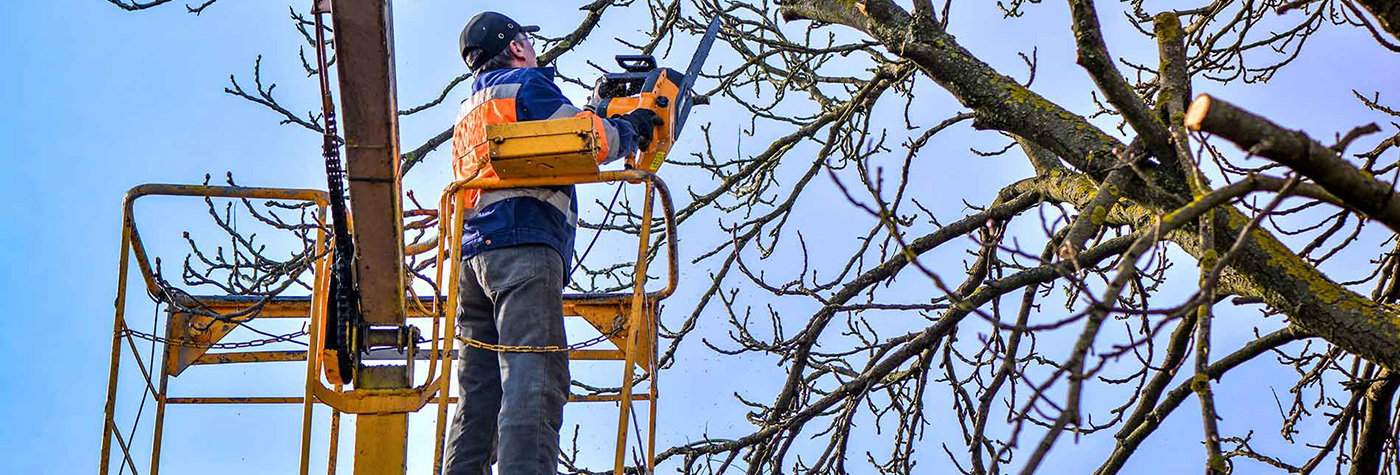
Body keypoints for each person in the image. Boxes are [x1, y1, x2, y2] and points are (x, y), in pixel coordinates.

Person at [443, 11, 658, 475]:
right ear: (518, 46)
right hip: (523, 246)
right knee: (533, 374)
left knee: (479, 389)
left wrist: (596, 110)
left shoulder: (472, 107)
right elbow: (588, 143)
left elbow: (551, 142)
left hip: (474, 258)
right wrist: (633, 127)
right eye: (528, 41)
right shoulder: (526, 87)